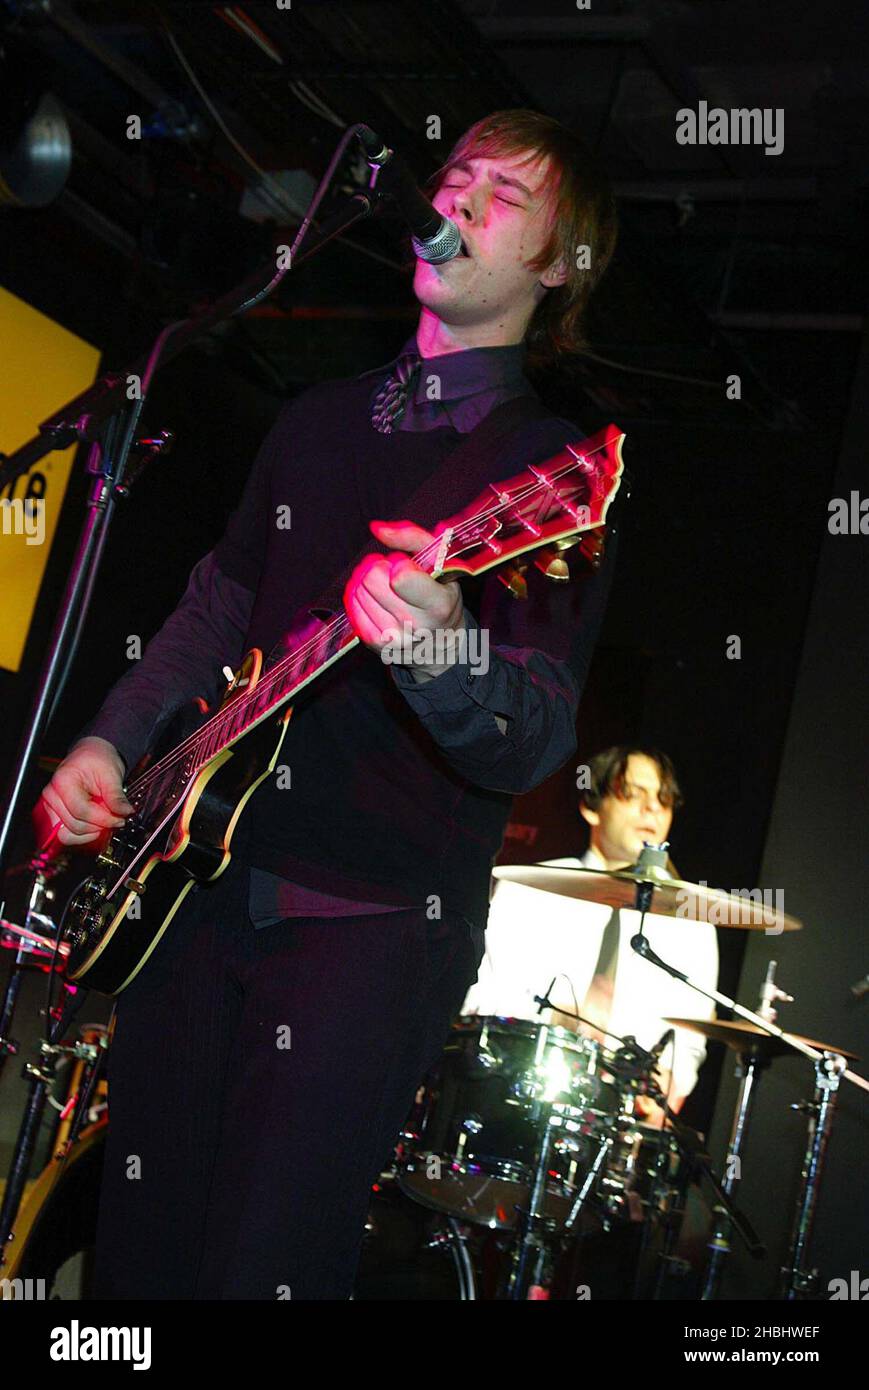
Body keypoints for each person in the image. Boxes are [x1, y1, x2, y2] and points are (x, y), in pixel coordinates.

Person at [33, 110, 620, 1300]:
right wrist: (108, 739)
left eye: (502, 193)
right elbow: (213, 607)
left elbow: (533, 737)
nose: (453, 198)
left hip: (366, 925)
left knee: (261, 1270)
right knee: (134, 1271)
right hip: (190, 900)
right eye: (451, 174)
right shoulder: (313, 422)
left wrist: (444, 649)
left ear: (558, 267)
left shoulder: (543, 472)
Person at [463, 746, 720, 1120]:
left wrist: (672, 1082)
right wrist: (552, 1021)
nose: (652, 809)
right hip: (516, 1098)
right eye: (633, 794)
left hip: (620, 1120)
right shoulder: (531, 889)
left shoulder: (692, 921)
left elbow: (691, 1039)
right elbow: (479, 1001)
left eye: (663, 800)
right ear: (591, 806)